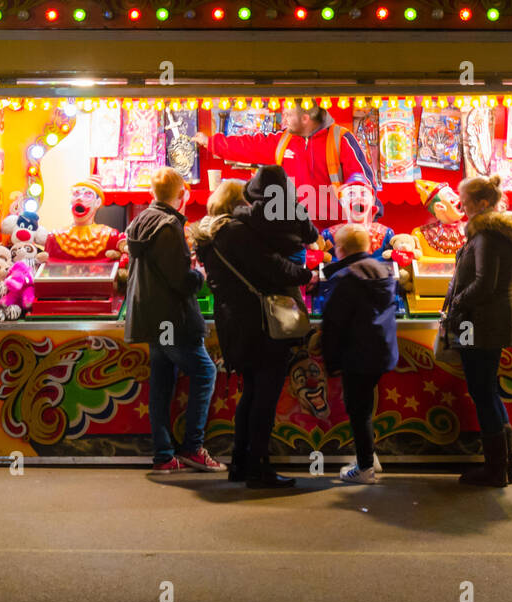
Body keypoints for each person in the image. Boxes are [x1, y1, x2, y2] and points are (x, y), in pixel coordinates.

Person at [192, 167, 314, 489]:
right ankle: (259, 467)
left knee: (251, 394)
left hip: (235, 324)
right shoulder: (236, 233)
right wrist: (306, 276)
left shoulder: (212, 236)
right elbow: (271, 267)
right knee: (264, 396)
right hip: (260, 326)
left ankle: (242, 463)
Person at [124, 168, 225, 474]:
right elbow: (180, 280)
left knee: (162, 382)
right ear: (181, 195)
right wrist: (200, 276)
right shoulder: (168, 226)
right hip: (170, 318)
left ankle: (164, 454)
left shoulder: (140, 221)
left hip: (150, 317)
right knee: (205, 371)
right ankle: (193, 448)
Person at [441, 174, 512, 487]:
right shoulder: (493, 233)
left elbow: (484, 283)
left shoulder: (486, 235)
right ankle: (503, 467)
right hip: (487, 320)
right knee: (487, 390)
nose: (460, 204)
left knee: (482, 390)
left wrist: (456, 303)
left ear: (482, 203)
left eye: (465, 200)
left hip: (479, 322)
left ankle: (495, 470)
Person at [193, 105, 376, 230]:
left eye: (288, 115)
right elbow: (248, 146)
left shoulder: (341, 138)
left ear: (305, 118)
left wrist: (366, 217)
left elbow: (363, 181)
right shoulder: (282, 140)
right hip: (293, 232)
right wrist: (211, 142)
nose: (284, 119)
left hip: (336, 231)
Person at [319, 224, 399, 484]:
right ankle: (370, 456)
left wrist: (331, 362)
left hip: (357, 353)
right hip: (382, 351)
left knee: (358, 409)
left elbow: (333, 324)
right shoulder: (384, 270)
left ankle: (365, 468)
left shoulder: (345, 277)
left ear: (340, 250)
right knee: (365, 406)